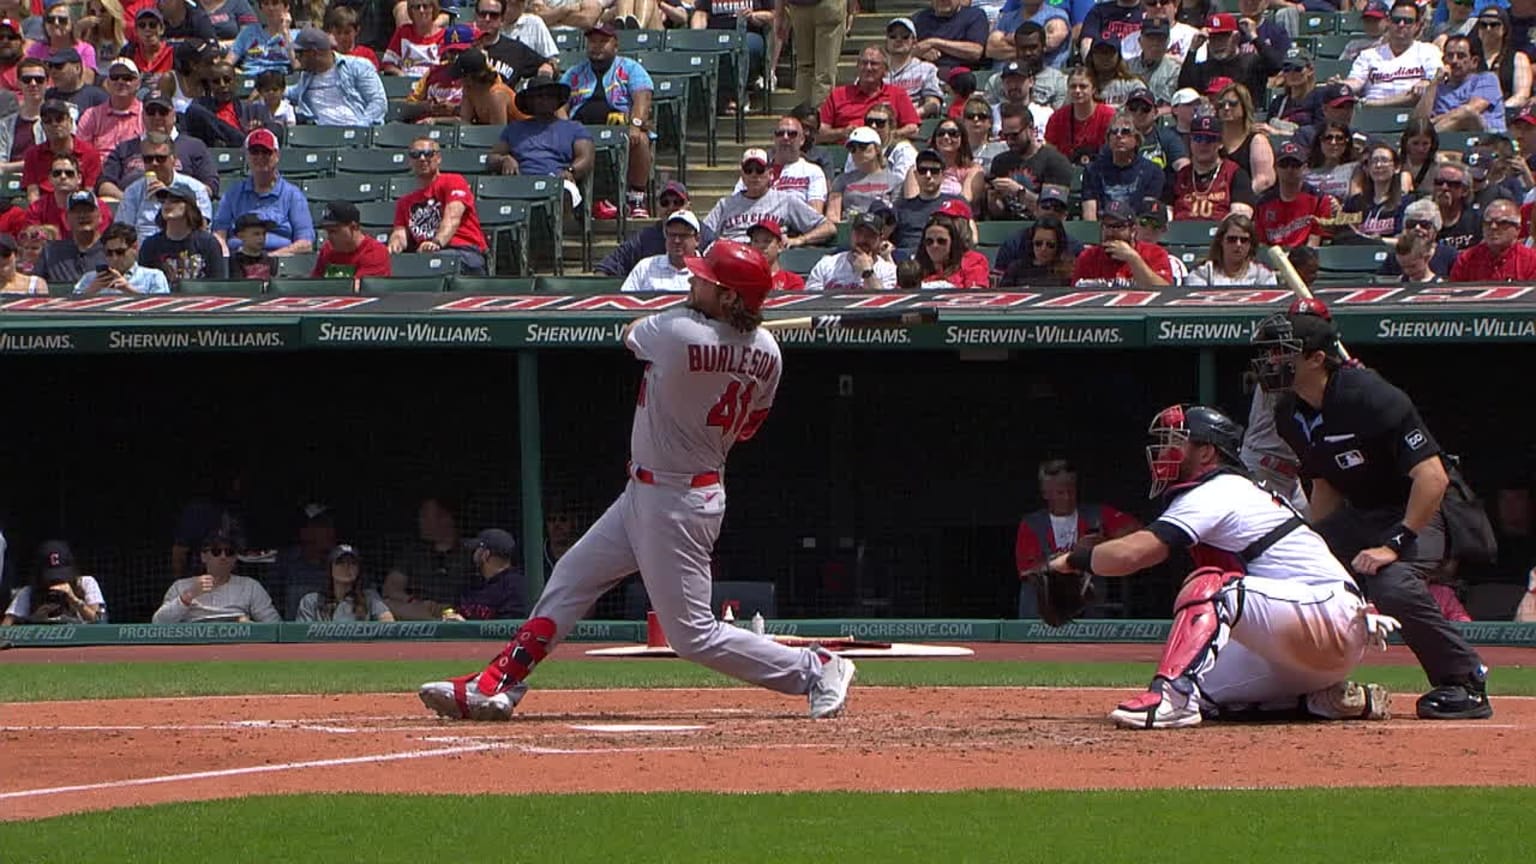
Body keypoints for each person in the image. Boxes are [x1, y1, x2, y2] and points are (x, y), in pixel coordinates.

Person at [417, 240, 857, 722]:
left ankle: (815, 667)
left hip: (677, 501)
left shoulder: (678, 331)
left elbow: (630, 333)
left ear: (730, 297)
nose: (693, 280)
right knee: (568, 580)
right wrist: (730, 351)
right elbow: (748, 428)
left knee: (692, 635)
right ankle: (497, 684)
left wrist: (711, 344)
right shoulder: (768, 353)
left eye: (706, 279)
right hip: (653, 492)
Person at [1044, 403, 1398, 729]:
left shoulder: (1220, 489)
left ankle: (1172, 699)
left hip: (1328, 613)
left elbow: (1138, 553)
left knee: (1212, 585)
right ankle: (1318, 699)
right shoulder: (1219, 491)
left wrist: (1072, 561)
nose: (1165, 452)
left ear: (1207, 452)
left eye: (1177, 442)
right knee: (1207, 689)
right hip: (1304, 644)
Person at [1254, 304, 1493, 721]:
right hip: (1360, 510)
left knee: (1393, 585)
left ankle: (1465, 681)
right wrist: (1306, 541)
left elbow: (1432, 478)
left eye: (1283, 353)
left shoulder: (1368, 395)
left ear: (1315, 358)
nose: (1272, 362)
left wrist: (1393, 544)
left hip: (1421, 507)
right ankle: (1290, 680)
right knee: (1280, 567)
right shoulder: (1288, 413)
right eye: (1270, 353)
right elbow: (1325, 486)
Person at [1015, 458, 1139, 619]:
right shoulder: (1032, 524)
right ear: (1046, 493)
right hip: (1045, 610)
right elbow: (1027, 570)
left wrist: (1105, 544)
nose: (1067, 497)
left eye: (1071, 491)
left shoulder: (1096, 515)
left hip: (1090, 609)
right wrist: (1071, 558)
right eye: (1060, 492)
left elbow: (1136, 531)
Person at [561, 22, 654, 220]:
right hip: (582, 133)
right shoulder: (574, 73)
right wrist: (564, 127)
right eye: (592, 41)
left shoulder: (630, 68)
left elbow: (642, 98)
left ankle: (636, 197)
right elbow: (560, 104)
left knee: (641, 140)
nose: (597, 46)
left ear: (615, 45)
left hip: (619, 129)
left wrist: (635, 125)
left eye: (603, 41)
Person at [490, 72, 592, 214]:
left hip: (557, 178)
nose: (544, 100)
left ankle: (560, 234)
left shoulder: (574, 128)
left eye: (549, 96)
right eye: (538, 97)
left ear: (557, 100)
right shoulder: (514, 128)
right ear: (530, 101)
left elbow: (586, 158)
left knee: (564, 192)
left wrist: (571, 171)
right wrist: (504, 159)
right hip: (521, 180)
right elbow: (492, 157)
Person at [389, 136, 490, 274]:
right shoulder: (405, 202)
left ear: (438, 158)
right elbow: (399, 235)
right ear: (410, 161)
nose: (422, 158)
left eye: (429, 153)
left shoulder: (453, 181)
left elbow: (452, 218)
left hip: (464, 252)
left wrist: (436, 243)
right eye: (415, 155)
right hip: (426, 258)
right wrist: (393, 248)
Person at [211, 128, 315, 255]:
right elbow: (219, 234)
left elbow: (306, 243)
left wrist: (269, 259)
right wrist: (226, 257)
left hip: (278, 264)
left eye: (266, 152)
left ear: (276, 155)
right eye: (255, 152)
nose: (260, 157)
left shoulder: (293, 195)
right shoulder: (233, 194)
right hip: (238, 263)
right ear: (247, 156)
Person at [702, 148, 835, 246]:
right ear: (742, 175)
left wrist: (800, 240)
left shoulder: (785, 201)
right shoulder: (725, 204)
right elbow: (702, 234)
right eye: (749, 170)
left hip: (767, 259)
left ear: (770, 173)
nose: (754, 175)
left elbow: (828, 227)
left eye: (759, 170)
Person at [153, 530, 281, 623]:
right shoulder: (181, 586)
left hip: (238, 646)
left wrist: (250, 627)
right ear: (203, 556)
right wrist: (188, 596)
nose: (223, 557)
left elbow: (275, 625)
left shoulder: (250, 586)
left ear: (235, 558)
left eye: (229, 552)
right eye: (216, 551)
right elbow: (159, 623)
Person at [114, 132, 214, 241]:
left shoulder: (195, 188)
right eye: (148, 159)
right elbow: (123, 233)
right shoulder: (133, 192)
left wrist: (166, 196)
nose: (154, 163)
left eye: (160, 158)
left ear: (173, 159)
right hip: (144, 254)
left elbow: (202, 231)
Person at [1345, 0, 1443, 107]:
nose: (1401, 24)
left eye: (1408, 21)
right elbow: (1356, 82)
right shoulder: (1368, 55)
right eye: (1396, 20)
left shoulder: (1429, 51)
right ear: (1389, 22)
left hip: (1410, 114)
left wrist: (1427, 82)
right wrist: (1341, 85)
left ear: (1417, 25)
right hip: (1372, 115)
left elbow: (1434, 81)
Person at [817, 46, 921, 145]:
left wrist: (887, 135)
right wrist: (842, 132)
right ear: (857, 67)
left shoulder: (898, 94)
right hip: (848, 150)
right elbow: (820, 133)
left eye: (874, 64)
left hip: (886, 151)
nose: (868, 68)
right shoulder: (838, 94)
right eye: (864, 63)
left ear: (885, 70)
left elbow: (913, 128)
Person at [287, 26, 388, 126]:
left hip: (353, 132)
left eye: (299, 53)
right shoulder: (307, 76)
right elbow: (294, 92)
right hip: (319, 135)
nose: (296, 58)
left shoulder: (358, 66)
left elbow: (378, 101)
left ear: (314, 53)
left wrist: (361, 128)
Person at [596, 181, 702, 277]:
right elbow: (608, 266)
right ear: (658, 207)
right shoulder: (645, 239)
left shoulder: (704, 234)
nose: (671, 207)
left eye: (678, 202)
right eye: (665, 202)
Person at [984, 107, 1072, 219]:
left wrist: (1019, 192)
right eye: (1006, 136)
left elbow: (1053, 213)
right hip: (1008, 227)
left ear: (1031, 129)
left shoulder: (1055, 162)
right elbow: (999, 213)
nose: (1010, 141)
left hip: (1043, 229)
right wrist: (993, 201)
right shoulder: (1000, 162)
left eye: (1015, 136)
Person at [138, 181, 227, 287]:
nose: (167, 204)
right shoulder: (151, 245)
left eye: (175, 200)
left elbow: (217, 284)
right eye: (163, 200)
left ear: (189, 207)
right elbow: (144, 286)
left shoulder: (208, 243)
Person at [1175, 12, 1280, 101]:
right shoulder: (1204, 68)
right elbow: (1184, 89)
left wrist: (1254, 37)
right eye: (1214, 38)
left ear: (1236, 37)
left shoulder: (1251, 62)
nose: (1218, 44)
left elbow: (1275, 67)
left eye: (1223, 38)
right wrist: (1192, 50)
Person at [1080, 109, 1163, 220]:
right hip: (1102, 230)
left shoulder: (1153, 172)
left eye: (1125, 132)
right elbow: (1089, 214)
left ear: (1137, 139)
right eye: (1114, 132)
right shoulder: (1092, 170)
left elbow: (1147, 214)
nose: (1118, 136)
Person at [1069, 199, 1173, 287]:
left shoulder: (1155, 254)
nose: (1110, 232)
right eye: (1106, 226)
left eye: (1117, 226)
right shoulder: (1088, 257)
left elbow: (1165, 292)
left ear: (1133, 230)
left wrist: (1134, 260)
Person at [1171, 115, 1255, 221]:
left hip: (1218, 234)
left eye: (1210, 139)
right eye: (1198, 138)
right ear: (1190, 141)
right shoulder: (1179, 176)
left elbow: (1240, 218)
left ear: (1220, 143)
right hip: (1179, 235)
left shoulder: (1236, 174)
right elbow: (1166, 215)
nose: (1203, 144)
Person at [1, 541, 106, 626]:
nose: (56, 583)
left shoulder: (86, 583)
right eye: (51, 580)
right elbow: (5, 628)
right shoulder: (29, 592)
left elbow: (99, 622)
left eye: (62, 577)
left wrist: (74, 600)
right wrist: (33, 620)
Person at [741, 114, 828, 213]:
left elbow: (815, 214)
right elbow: (738, 203)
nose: (785, 137)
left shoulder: (813, 172)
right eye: (780, 133)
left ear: (802, 140)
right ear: (774, 138)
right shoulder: (754, 170)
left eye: (792, 134)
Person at [1419, 34, 1506, 132]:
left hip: (1486, 140)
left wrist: (1434, 121)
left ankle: (1428, 138)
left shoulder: (1487, 79)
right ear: (1443, 60)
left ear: (1474, 61)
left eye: (1461, 56)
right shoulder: (1438, 87)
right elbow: (1421, 121)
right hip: (1447, 142)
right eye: (1450, 56)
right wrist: (1434, 83)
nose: (1454, 61)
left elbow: (1471, 111)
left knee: (1467, 113)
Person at [1255, 141, 1334, 249]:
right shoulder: (1263, 203)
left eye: (1295, 165)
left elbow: (1314, 242)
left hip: (1305, 258)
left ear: (1305, 168)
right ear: (1275, 168)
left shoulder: (1319, 199)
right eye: (1284, 165)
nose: (1289, 170)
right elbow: (1262, 245)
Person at [23, 99, 101, 205]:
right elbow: (33, 194)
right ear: (42, 126)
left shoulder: (90, 153)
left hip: (79, 208)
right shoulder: (32, 155)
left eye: (59, 119)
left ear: (70, 122)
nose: (54, 124)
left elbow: (88, 192)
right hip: (44, 211)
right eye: (48, 121)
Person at [296, 544, 396, 622]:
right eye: (340, 562)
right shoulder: (311, 601)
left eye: (352, 563)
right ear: (330, 568)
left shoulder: (370, 598)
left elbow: (388, 625)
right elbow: (301, 638)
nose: (347, 567)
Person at [70, 220, 170, 294]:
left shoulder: (153, 277)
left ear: (135, 247)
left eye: (120, 252)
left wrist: (128, 289)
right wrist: (91, 291)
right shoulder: (89, 279)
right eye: (109, 253)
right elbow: (70, 311)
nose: (114, 258)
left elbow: (161, 312)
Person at [805, 211, 897, 291]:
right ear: (851, 233)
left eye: (870, 235)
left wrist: (868, 273)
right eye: (859, 233)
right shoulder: (827, 265)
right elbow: (810, 304)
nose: (863, 239)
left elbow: (883, 305)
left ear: (880, 239)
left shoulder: (888, 271)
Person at [23, 152, 112, 234]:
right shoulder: (36, 209)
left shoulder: (98, 207)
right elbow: (34, 243)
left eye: (69, 173)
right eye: (57, 173)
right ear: (50, 178)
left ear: (79, 178)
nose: (63, 177)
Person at [827, 126, 902, 222]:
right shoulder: (841, 180)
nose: (857, 152)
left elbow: (895, 218)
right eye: (852, 148)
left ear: (877, 149)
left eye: (863, 147)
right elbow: (832, 216)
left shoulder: (895, 181)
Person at [1450, 197, 1536, 279]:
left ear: (1517, 229)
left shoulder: (1532, 261)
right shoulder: (1466, 260)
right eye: (1488, 222)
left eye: (1502, 223)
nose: (1493, 227)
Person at [1338, 143, 1407, 244]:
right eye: (1374, 161)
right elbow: (1340, 236)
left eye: (1384, 160)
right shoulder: (1354, 203)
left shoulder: (1405, 202)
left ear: (1396, 168)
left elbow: (1405, 241)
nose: (1378, 165)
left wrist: (1378, 241)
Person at [453, 529, 527, 620]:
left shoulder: (515, 586)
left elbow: (508, 628)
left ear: (485, 555)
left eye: (477, 549)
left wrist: (465, 626)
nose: (473, 553)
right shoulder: (472, 583)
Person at [1183, 213, 1276, 286]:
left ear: (1251, 244)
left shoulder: (1262, 274)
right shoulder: (1203, 273)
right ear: (1221, 241)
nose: (1238, 244)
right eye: (1232, 239)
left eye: (1244, 240)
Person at [1215, 81, 1273, 195]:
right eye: (1222, 104)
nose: (1226, 108)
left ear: (1244, 106)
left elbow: (1264, 180)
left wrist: (1240, 198)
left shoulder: (1257, 140)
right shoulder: (1214, 140)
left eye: (1233, 104)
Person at [75, 58, 144, 155]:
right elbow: (82, 152)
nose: (120, 81)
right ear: (107, 82)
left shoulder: (146, 114)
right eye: (115, 77)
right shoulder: (92, 115)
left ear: (138, 83)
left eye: (127, 77)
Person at [620, 209, 699, 293]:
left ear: (697, 239)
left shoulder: (708, 270)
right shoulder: (645, 267)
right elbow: (625, 300)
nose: (677, 240)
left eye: (683, 235)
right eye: (672, 235)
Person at [1377, 198, 1459, 277]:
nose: (1417, 228)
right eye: (1411, 224)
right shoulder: (1395, 256)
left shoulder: (1449, 255)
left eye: (1424, 224)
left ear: (1436, 228)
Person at [313, 199, 391, 280]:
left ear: (354, 227)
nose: (329, 237)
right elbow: (315, 285)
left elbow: (359, 289)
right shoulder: (327, 250)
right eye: (327, 231)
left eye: (333, 231)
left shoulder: (375, 252)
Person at [1473, 6, 1530, 111]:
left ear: (1504, 29)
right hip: (1471, 115)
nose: (1488, 29)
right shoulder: (1470, 58)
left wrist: (1497, 110)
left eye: (1494, 25)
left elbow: (1522, 95)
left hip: (1506, 116)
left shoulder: (1518, 58)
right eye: (1483, 25)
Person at [885, 17, 943, 119]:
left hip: (915, 123)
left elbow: (934, 103)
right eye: (893, 36)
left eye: (905, 36)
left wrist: (911, 115)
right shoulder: (875, 70)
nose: (898, 39)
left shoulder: (927, 69)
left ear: (914, 42)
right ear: (887, 41)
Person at [912, 0, 989, 76]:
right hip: (924, 73)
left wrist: (934, 43)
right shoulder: (920, 18)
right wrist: (921, 53)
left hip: (961, 74)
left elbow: (975, 52)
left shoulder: (974, 15)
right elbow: (907, 49)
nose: (943, 1)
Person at [916, 212, 988, 288]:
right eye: (929, 241)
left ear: (953, 242)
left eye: (941, 241)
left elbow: (975, 293)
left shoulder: (972, 261)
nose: (935, 246)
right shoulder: (918, 266)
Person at [383, 0, 446, 78]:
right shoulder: (403, 32)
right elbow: (388, 64)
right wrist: (401, 75)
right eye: (417, 7)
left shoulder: (443, 35)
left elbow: (447, 68)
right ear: (411, 11)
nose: (421, 10)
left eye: (425, 6)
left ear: (433, 9)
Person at [1431, 160, 1481, 250]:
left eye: (1452, 184)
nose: (1444, 188)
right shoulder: (1423, 218)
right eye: (1439, 182)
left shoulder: (1477, 220)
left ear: (1465, 190)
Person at [228, 212, 277, 278]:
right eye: (256, 234)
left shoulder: (270, 260)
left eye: (264, 234)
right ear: (241, 236)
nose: (261, 238)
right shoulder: (234, 260)